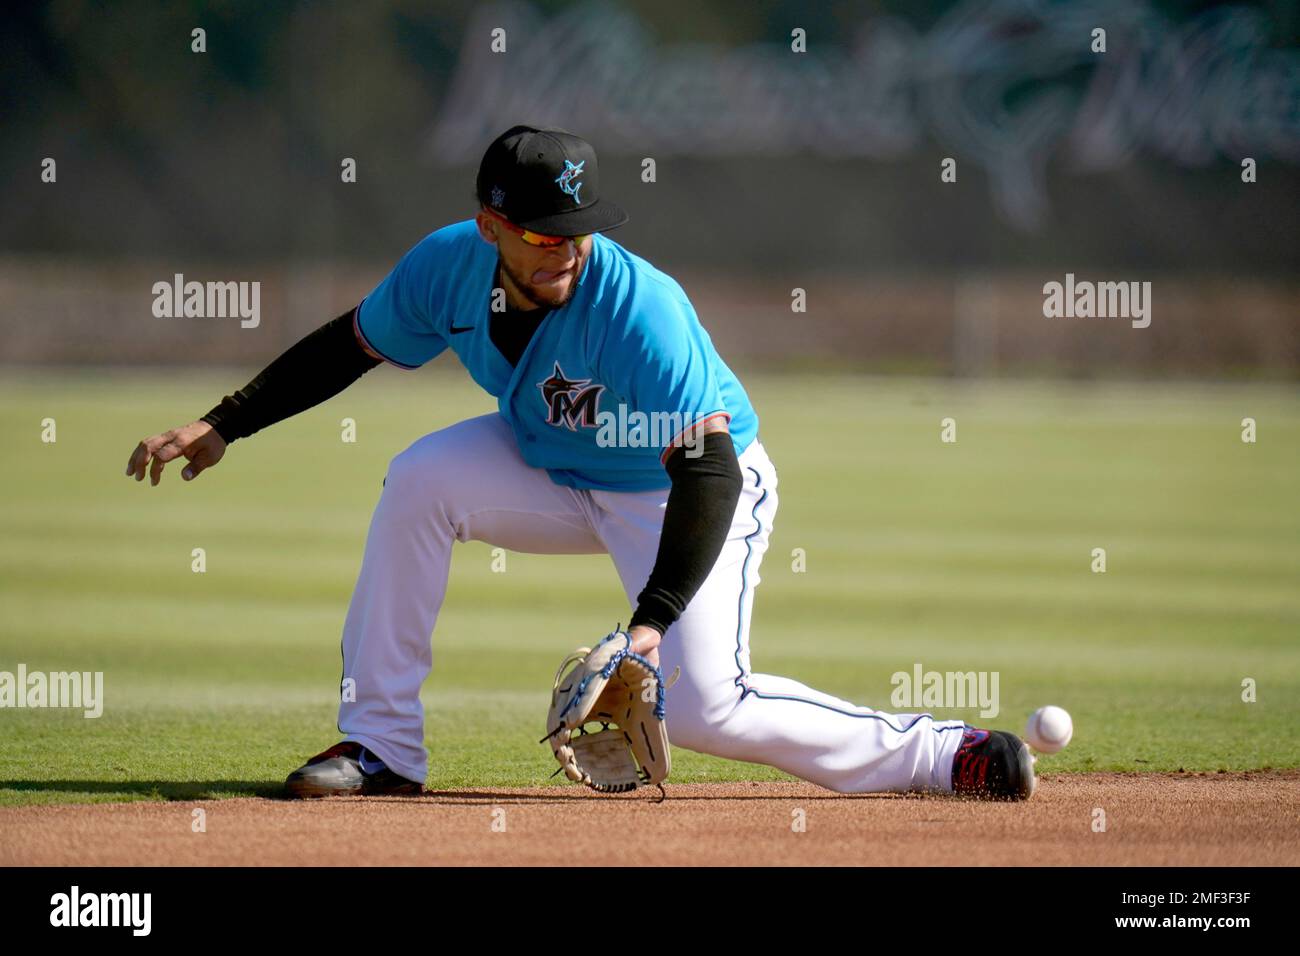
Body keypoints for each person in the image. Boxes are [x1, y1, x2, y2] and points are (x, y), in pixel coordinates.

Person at [125, 125, 1036, 801]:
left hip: (680, 490)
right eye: (544, 232)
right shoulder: (444, 268)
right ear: (492, 227)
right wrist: (224, 424)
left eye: (580, 227)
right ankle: (382, 750)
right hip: (550, 468)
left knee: (710, 709)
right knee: (420, 480)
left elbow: (710, 471)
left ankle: (942, 753)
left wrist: (650, 625)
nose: (567, 247)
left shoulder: (643, 309)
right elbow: (349, 347)